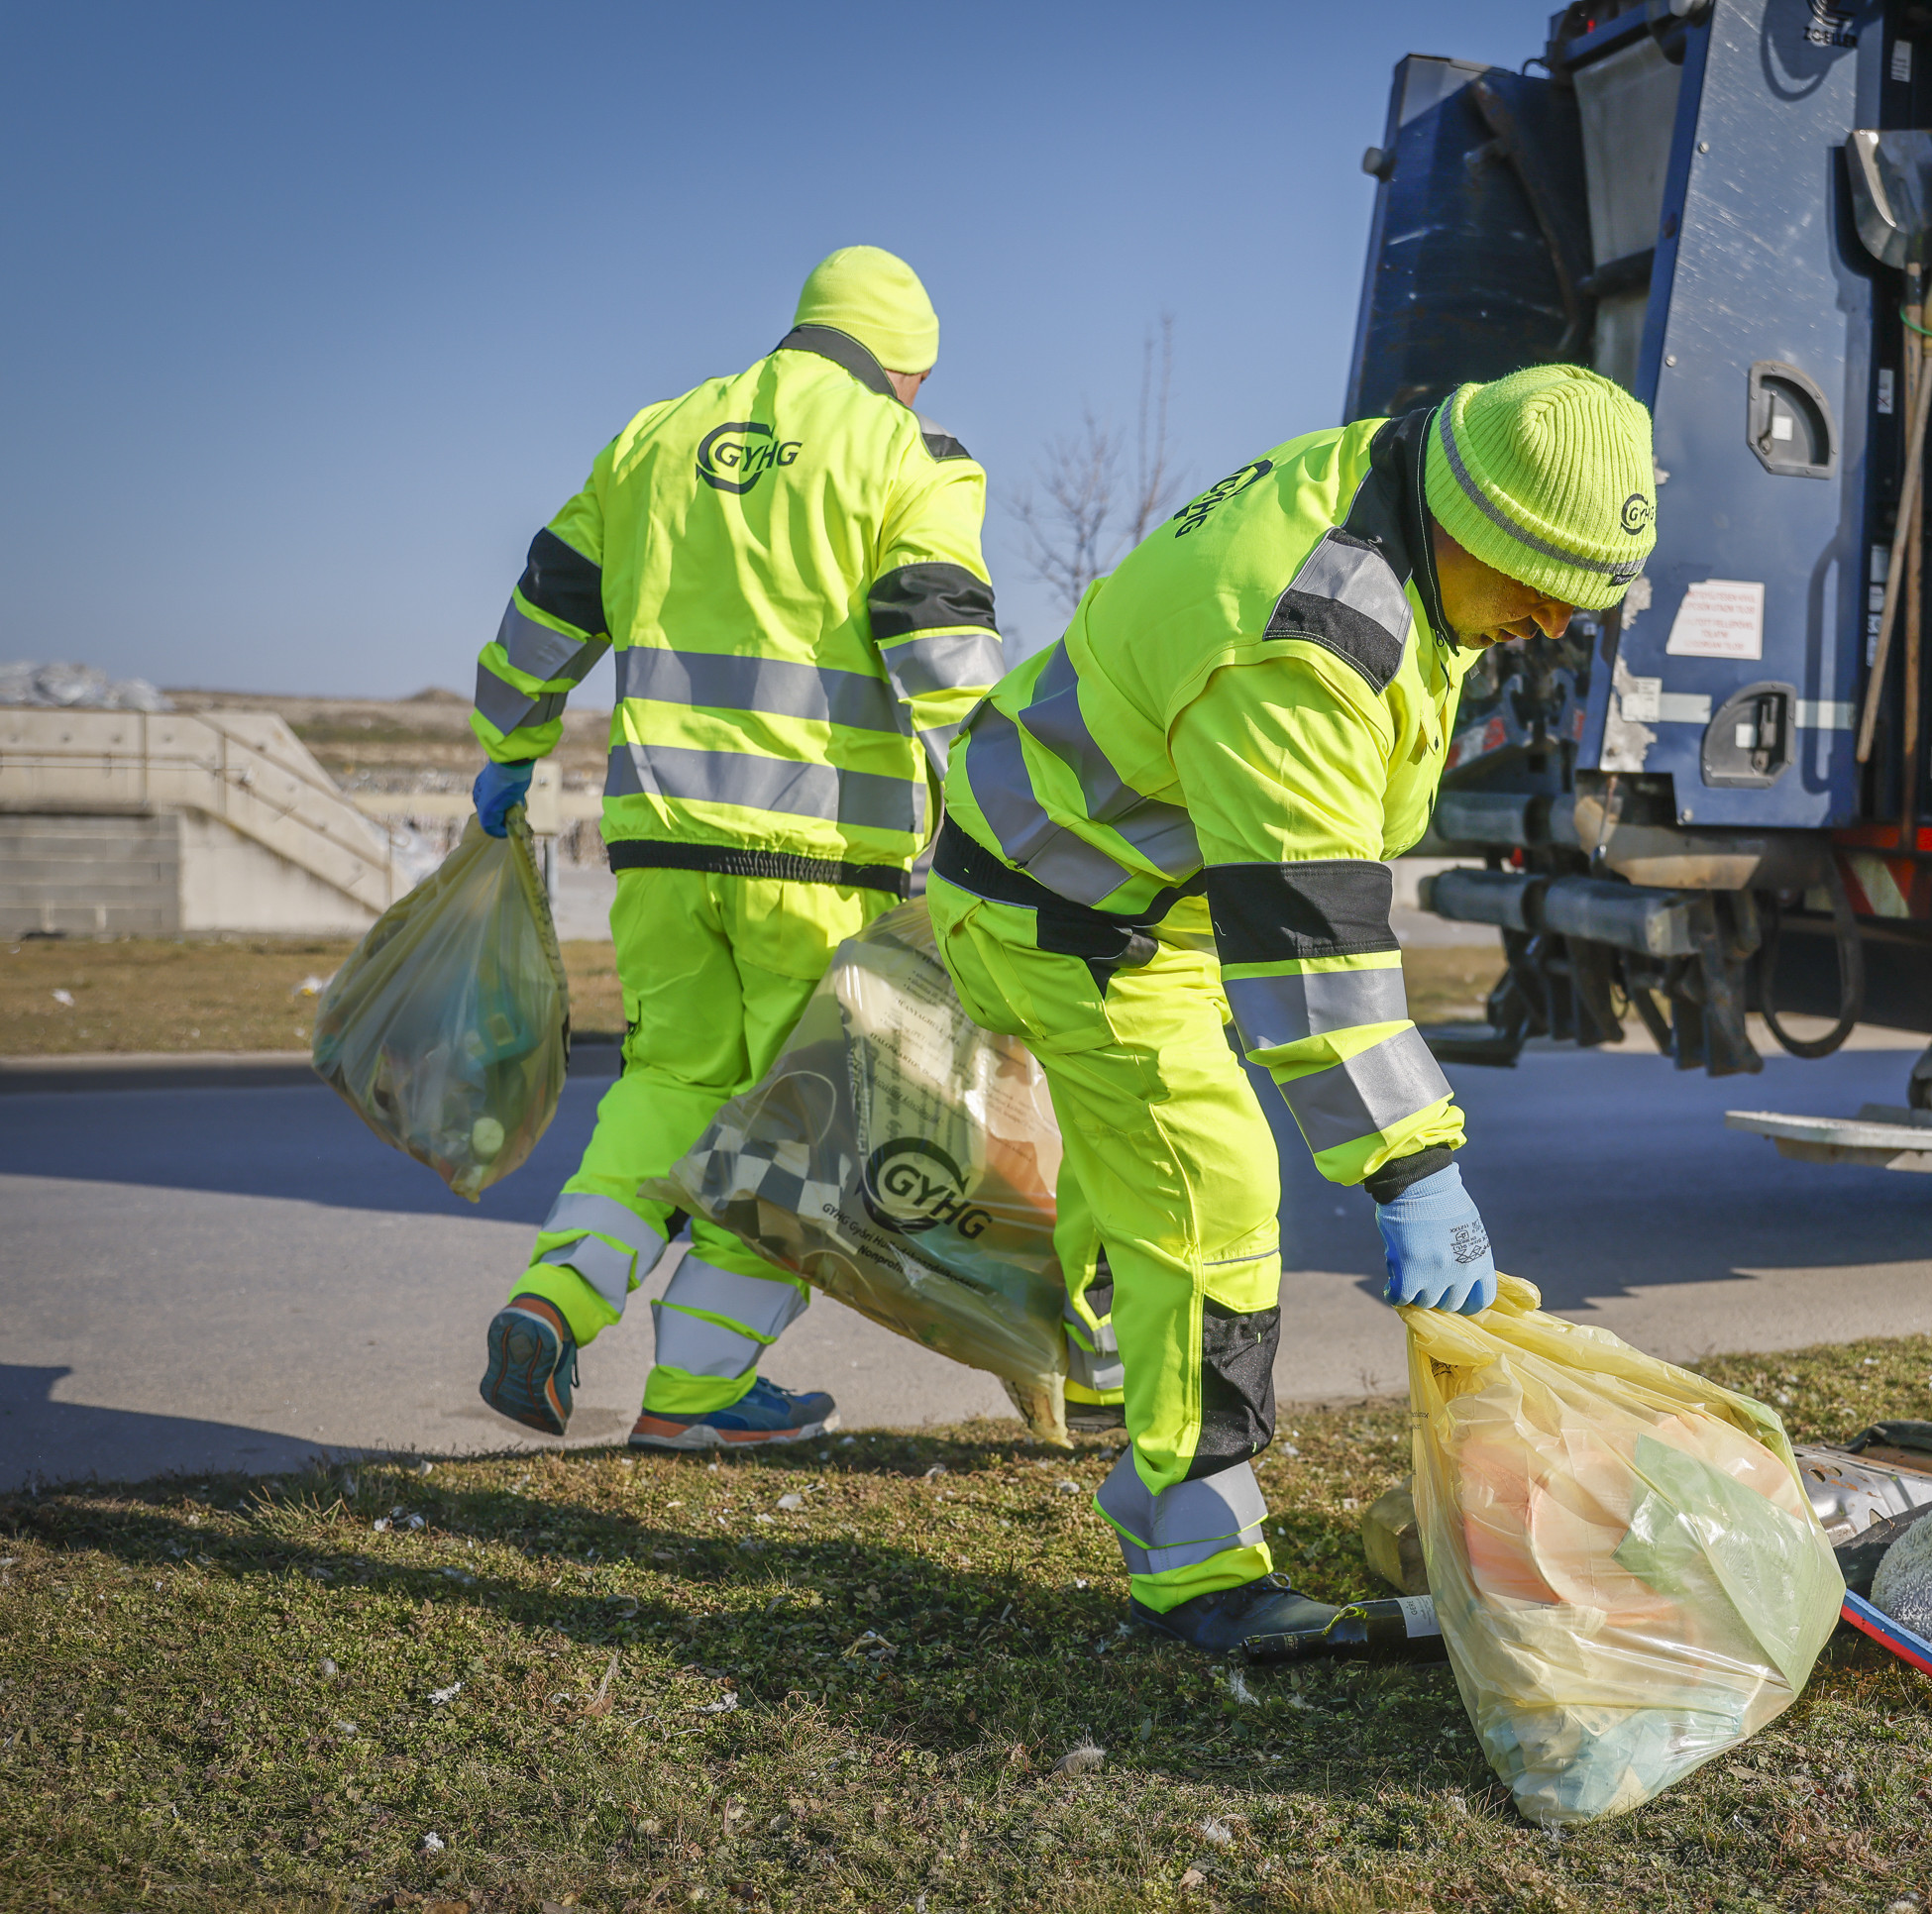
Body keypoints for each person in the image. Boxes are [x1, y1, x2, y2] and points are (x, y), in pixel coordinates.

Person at [926, 364, 1657, 1651]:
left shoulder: (1402, 479)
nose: (1550, 625)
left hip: (1119, 874)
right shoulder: (1310, 637)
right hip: (1074, 904)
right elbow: (1314, 950)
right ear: (1471, 530)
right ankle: (1197, 1561)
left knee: (1143, 1173)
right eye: (1540, 590)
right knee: (1209, 1193)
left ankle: (1103, 1350)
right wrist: (1414, 1168)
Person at [471, 247, 1007, 1452]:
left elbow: (546, 607)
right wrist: (1004, 801)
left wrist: (508, 740)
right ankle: (699, 1390)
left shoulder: (656, 436)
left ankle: (554, 1300)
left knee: (671, 1086)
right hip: (821, 862)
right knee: (799, 1135)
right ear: (908, 367)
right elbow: (942, 649)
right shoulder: (906, 453)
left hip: (660, 846)